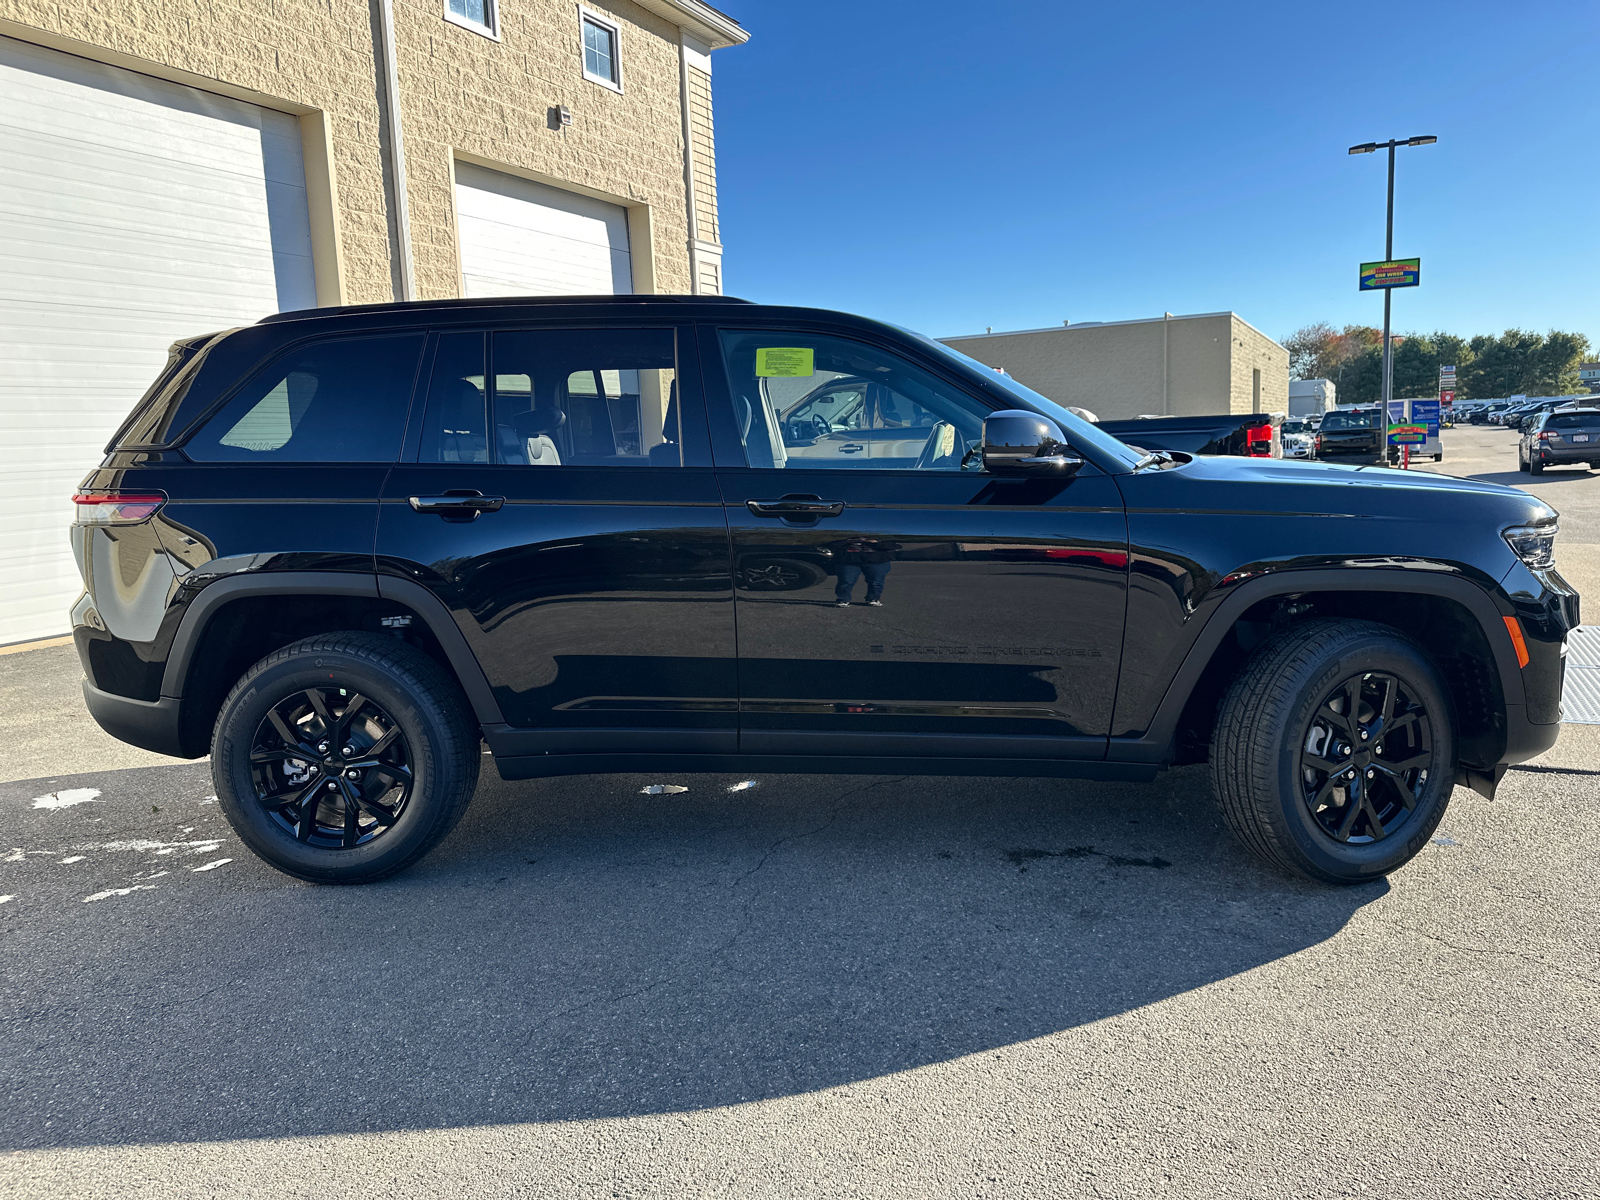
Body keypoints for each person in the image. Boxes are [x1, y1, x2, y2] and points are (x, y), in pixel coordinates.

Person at [833, 536, 897, 607]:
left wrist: (874, 543)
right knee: (846, 580)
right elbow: (832, 544)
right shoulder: (846, 534)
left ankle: (873, 599)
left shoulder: (883, 533)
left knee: (876, 581)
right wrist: (849, 541)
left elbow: (893, 546)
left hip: (877, 560)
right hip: (849, 560)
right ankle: (843, 599)